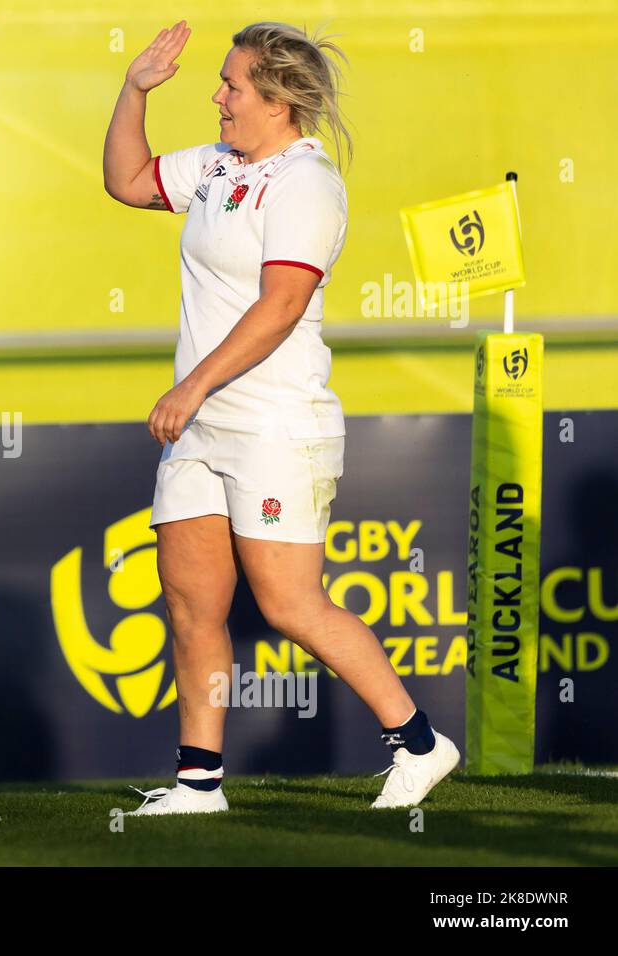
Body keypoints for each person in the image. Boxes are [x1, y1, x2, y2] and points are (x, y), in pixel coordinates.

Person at [102, 21, 458, 815]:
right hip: (200, 426)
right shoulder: (219, 164)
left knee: (289, 604)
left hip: (274, 425)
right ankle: (199, 784)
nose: (218, 97)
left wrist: (190, 388)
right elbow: (126, 180)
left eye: (232, 85)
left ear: (277, 99)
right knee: (191, 604)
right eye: (222, 83)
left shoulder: (307, 182)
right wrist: (134, 89)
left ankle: (420, 741)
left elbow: (282, 305)